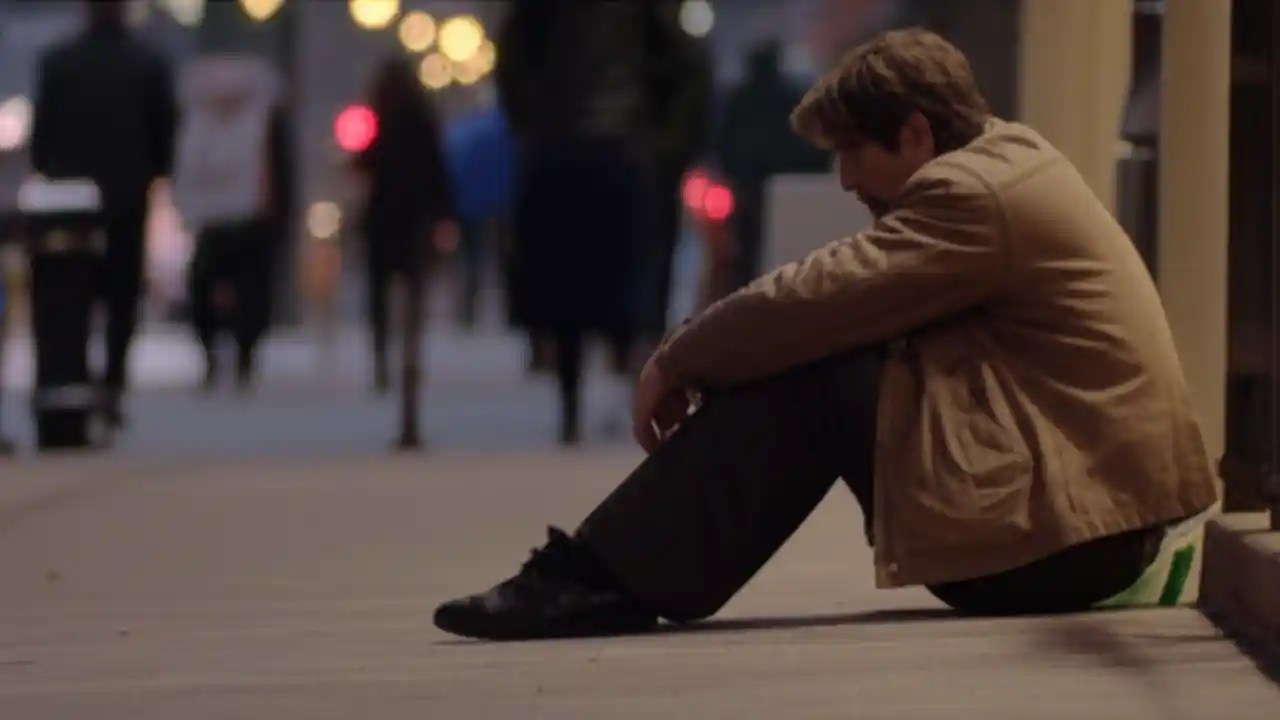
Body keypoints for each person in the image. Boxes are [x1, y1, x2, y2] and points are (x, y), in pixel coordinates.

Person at [433, 28, 1221, 640]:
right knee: (817, 345)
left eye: (853, 151)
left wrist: (677, 356)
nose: (845, 180)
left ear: (914, 134)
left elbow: (822, 294)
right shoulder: (1011, 164)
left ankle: (600, 576)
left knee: (818, 359)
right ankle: (609, 570)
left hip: (1071, 549)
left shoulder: (973, 197)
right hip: (1086, 525)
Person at [31, 0, 177, 428]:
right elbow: (164, 133)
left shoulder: (60, 62)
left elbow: (43, 134)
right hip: (126, 195)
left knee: (69, 295)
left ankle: (70, 375)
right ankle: (112, 382)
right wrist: (151, 172)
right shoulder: (148, 63)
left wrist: (54, 170)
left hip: (71, 197)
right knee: (121, 294)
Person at [353, 58, 457, 449]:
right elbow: (439, 173)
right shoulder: (423, 121)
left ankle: (381, 357)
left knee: (378, 296)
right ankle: (409, 364)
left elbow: (362, 166)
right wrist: (445, 216)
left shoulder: (378, 122)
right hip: (417, 225)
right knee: (413, 305)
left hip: (383, 224)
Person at [172, 54, 292, 393]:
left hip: (252, 218)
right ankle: (212, 353)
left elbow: (277, 171)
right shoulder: (197, 123)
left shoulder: (262, 122)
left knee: (253, 292)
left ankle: (245, 355)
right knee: (202, 289)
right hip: (210, 219)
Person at [715, 41, 832, 290]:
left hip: (748, 184)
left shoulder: (741, 98)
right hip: (782, 185)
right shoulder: (789, 97)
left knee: (747, 250)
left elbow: (723, 143)